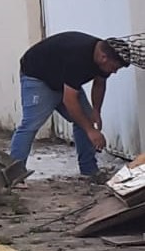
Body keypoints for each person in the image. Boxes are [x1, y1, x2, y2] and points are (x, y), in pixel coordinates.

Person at [9, 31, 131, 180]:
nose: (115, 72)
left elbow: (99, 84)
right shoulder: (78, 57)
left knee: (85, 119)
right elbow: (69, 100)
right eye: (114, 67)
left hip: (63, 80)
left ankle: (89, 171)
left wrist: (96, 112)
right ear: (104, 58)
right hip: (37, 77)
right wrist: (90, 130)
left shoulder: (103, 53)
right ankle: (13, 176)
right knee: (30, 125)